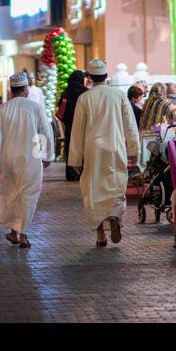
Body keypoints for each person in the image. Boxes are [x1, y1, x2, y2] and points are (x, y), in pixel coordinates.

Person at [67, 59, 140, 247]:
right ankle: (115, 216)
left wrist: (75, 158)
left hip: (93, 150)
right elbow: (130, 126)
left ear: (89, 78)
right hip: (116, 148)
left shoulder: (85, 98)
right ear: (106, 76)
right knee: (115, 185)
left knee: (94, 190)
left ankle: (100, 233)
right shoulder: (119, 95)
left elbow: (77, 130)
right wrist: (134, 150)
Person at [0, 72, 55, 249]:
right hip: (31, 158)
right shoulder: (35, 108)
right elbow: (45, 133)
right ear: (25, 90)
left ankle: (14, 232)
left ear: (11, 91)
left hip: (8, 159)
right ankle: (23, 235)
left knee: (11, 194)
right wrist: (46, 155)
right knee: (28, 196)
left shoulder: (2, 109)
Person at [60, 69, 90, 181]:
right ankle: (82, 172)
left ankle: (71, 173)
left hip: (69, 125)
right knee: (82, 148)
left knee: (70, 147)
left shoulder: (66, 92)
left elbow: (61, 109)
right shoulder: (85, 92)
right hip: (83, 125)